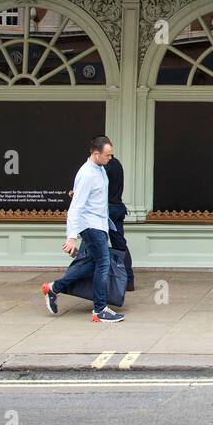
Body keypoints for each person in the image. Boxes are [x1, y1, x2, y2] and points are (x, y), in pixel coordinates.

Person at [41, 135, 125, 323]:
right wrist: (71, 237)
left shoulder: (100, 169)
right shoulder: (87, 174)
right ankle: (99, 309)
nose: (110, 158)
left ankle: (54, 288)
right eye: (107, 155)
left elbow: (87, 197)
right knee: (104, 263)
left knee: (94, 263)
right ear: (96, 154)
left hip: (100, 224)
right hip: (91, 225)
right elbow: (75, 208)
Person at [106, 152, 134, 292]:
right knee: (120, 245)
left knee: (96, 245)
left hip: (106, 209)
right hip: (117, 207)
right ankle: (128, 280)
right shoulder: (117, 164)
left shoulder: (103, 166)